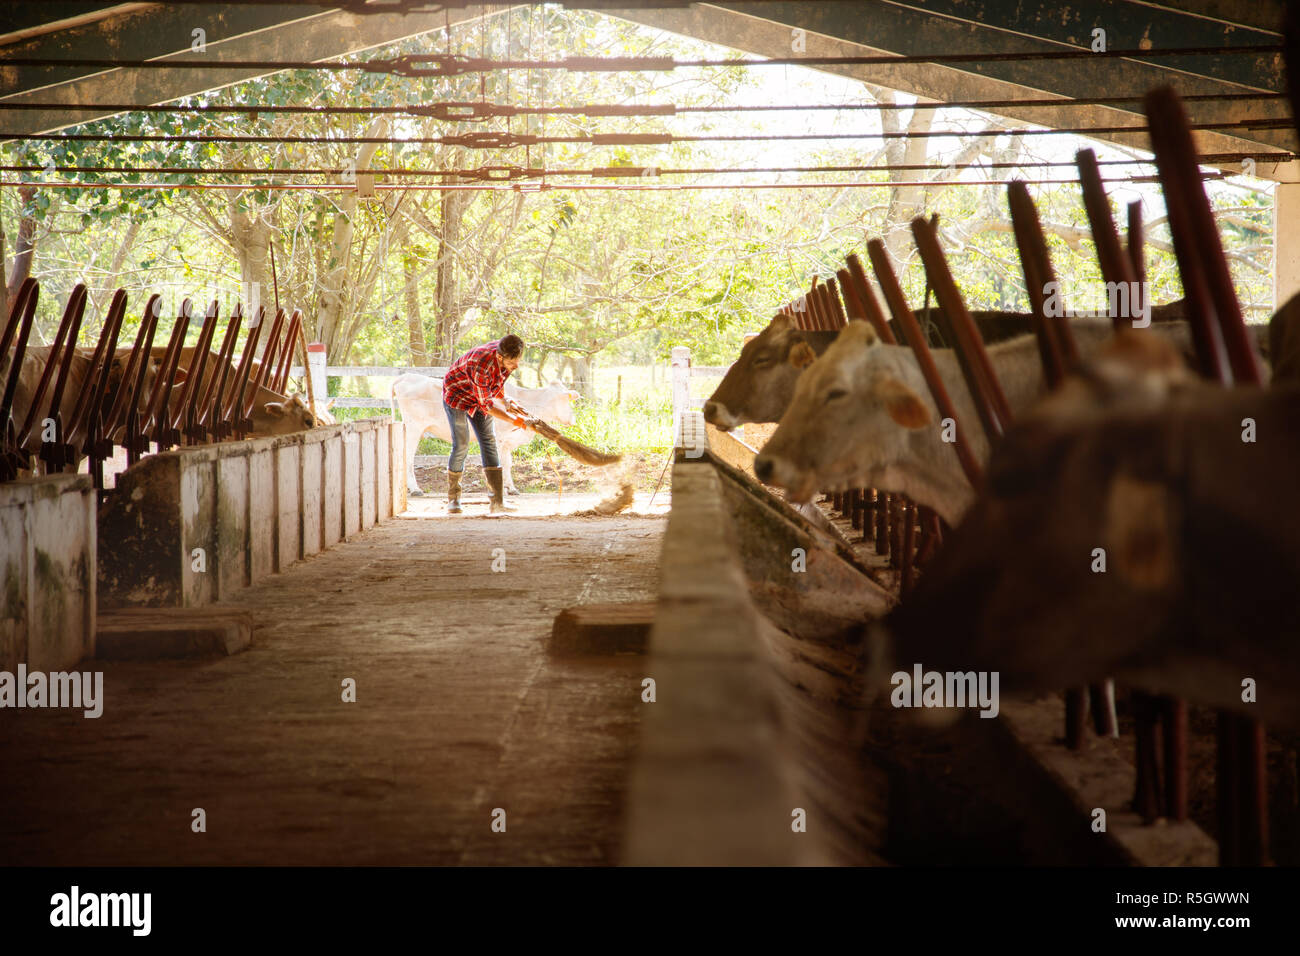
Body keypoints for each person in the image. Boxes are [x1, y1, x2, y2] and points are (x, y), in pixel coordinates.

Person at [441, 333, 530, 514]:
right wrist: (515, 420)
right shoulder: (480, 365)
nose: (516, 365)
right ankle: (454, 498)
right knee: (462, 445)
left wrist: (505, 399)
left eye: (518, 360)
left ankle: (497, 501)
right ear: (500, 356)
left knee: (489, 440)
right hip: (457, 395)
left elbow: (495, 384)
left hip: (479, 394)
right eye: (513, 362)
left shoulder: (506, 354)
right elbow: (487, 406)